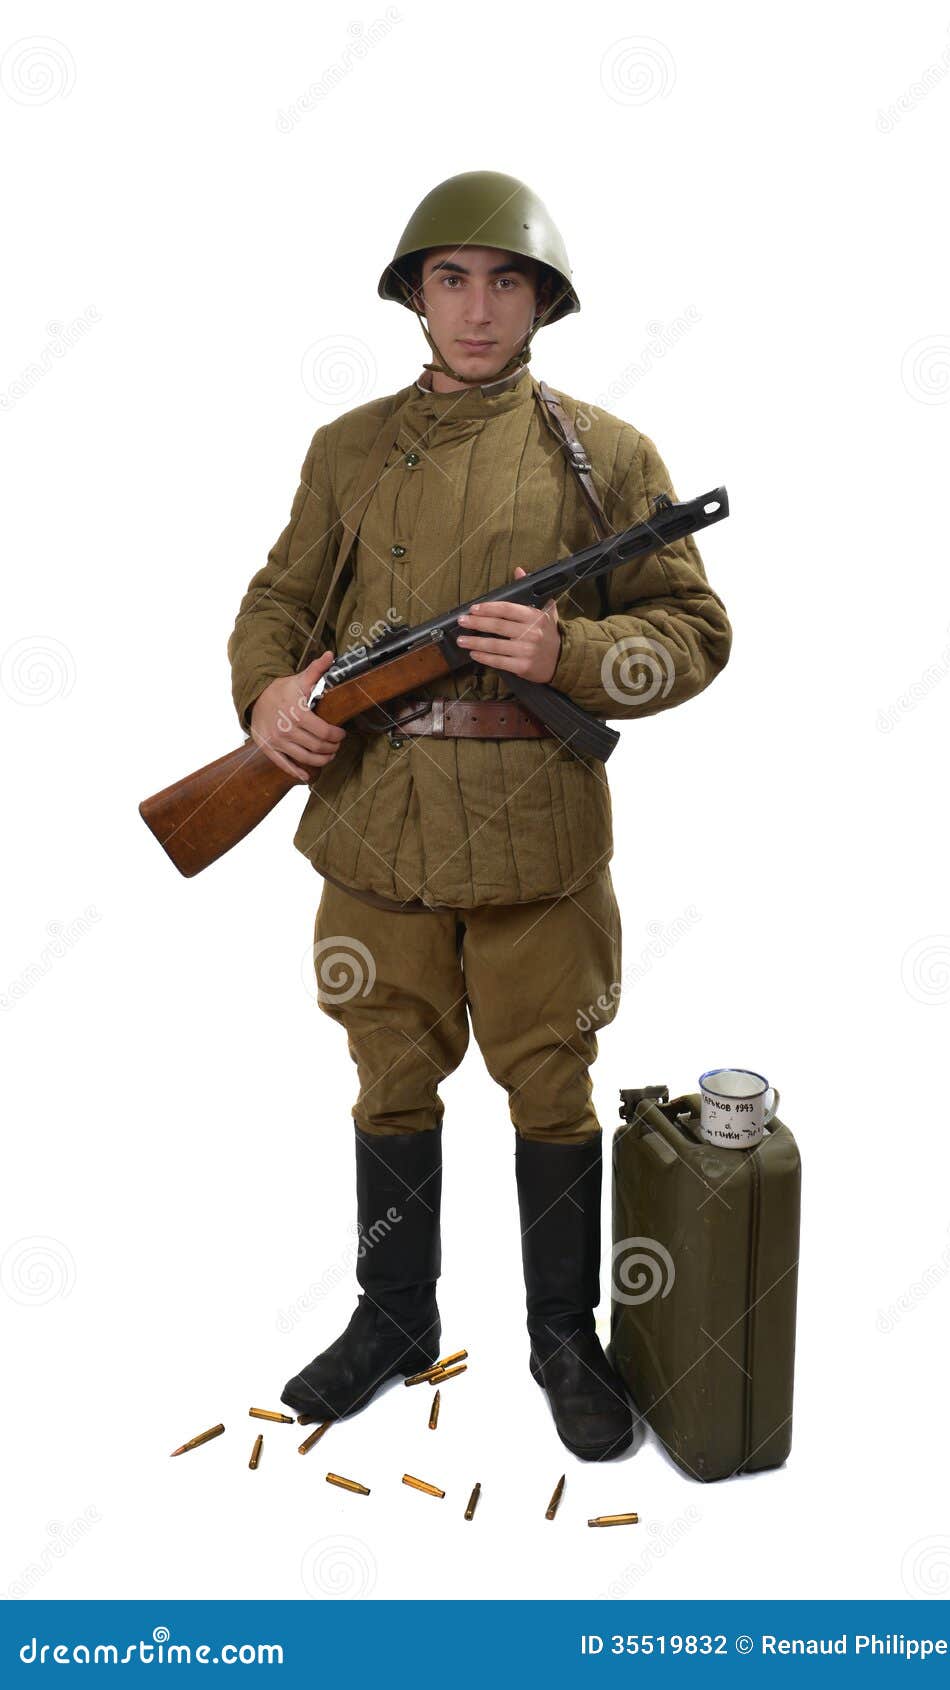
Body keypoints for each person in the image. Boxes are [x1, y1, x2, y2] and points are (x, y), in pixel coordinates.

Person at [227, 170, 732, 1462]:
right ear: (413, 294)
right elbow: (280, 601)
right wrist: (271, 694)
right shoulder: (346, 448)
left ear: (543, 302)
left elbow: (693, 631)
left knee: (551, 1085)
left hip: (534, 833)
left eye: (507, 281)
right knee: (389, 1073)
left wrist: (571, 652)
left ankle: (562, 1334)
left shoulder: (606, 452)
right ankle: (395, 1316)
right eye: (450, 278)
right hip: (373, 825)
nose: (477, 307)